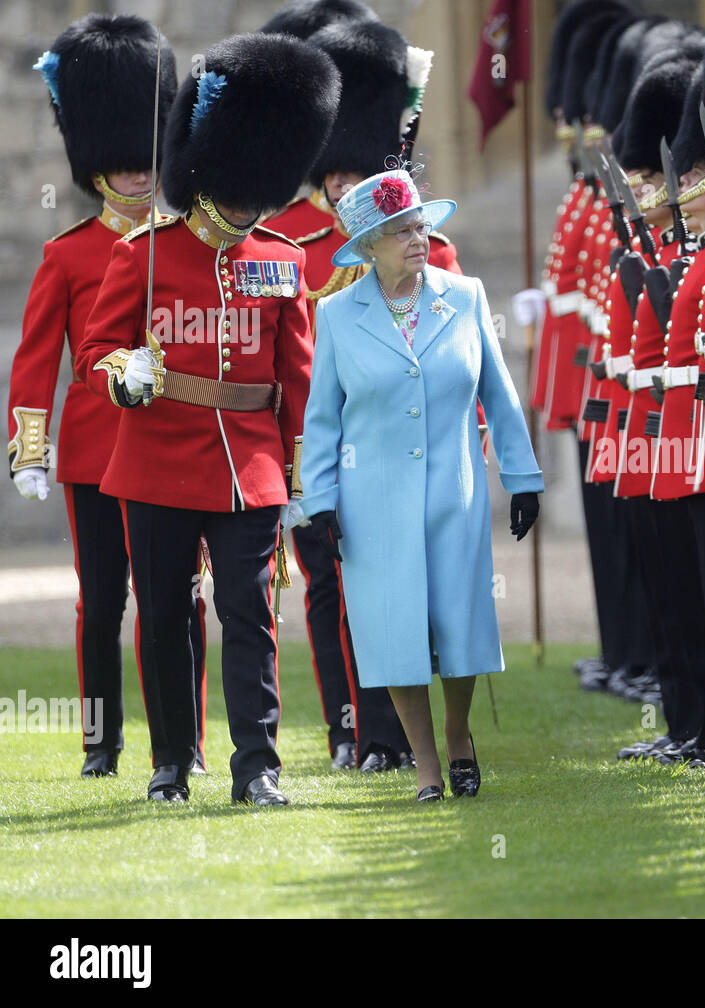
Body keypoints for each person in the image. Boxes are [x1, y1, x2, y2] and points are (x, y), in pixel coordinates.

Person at [76, 32, 340, 806]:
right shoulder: (144, 254)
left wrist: (303, 471)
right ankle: (170, 759)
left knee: (249, 616)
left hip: (250, 465)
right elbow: (95, 350)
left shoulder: (282, 259)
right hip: (156, 458)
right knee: (162, 617)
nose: (246, 201)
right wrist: (125, 374)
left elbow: (299, 376)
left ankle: (257, 766)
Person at [295, 168, 544, 802]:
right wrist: (318, 502)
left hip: (452, 497)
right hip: (371, 503)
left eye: (420, 225)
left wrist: (522, 478)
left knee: (458, 624)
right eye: (400, 230)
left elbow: (499, 394)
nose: (417, 237)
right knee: (392, 631)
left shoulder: (464, 296)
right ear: (369, 246)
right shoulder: (336, 316)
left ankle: (458, 733)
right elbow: (321, 419)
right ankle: (427, 763)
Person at [261, 1, 462, 773]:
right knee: (327, 589)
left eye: (355, 166)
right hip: (319, 447)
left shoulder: (430, 248)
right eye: (333, 169)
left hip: (405, 442)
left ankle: (403, 732)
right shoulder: (288, 246)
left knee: (398, 589)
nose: (342, 181)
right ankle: (352, 725)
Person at [10, 13, 210, 779]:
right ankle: (101, 744)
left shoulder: (183, 244)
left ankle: (185, 744)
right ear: (96, 167)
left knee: (181, 602)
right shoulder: (68, 256)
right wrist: (31, 448)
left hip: (170, 446)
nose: (137, 173)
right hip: (96, 454)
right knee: (102, 607)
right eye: (123, 164)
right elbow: (35, 362)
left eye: (144, 160)